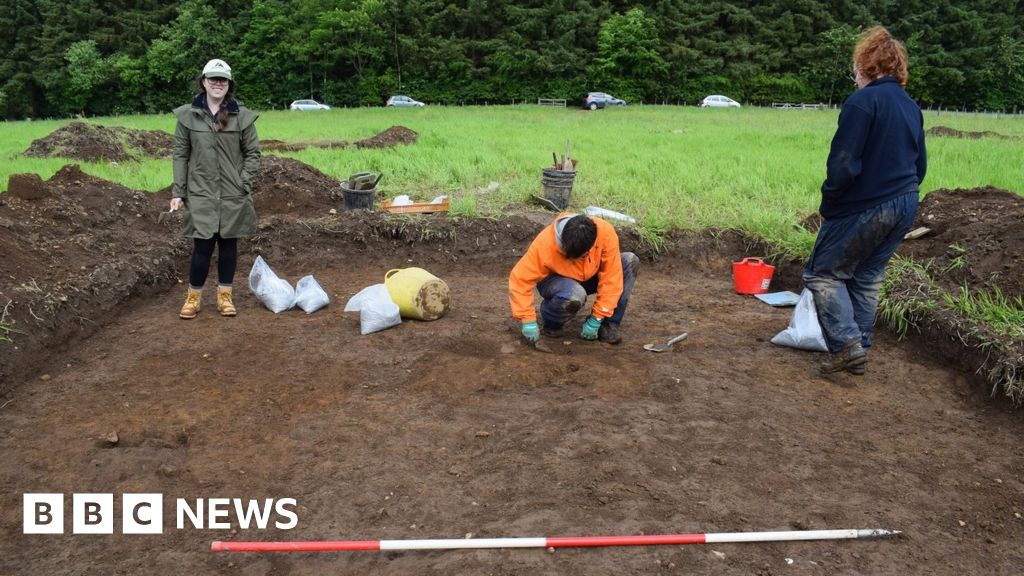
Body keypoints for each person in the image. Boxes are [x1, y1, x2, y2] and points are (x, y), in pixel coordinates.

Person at [804, 26, 926, 375]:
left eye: (856, 66)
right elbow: (921, 165)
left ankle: (845, 344)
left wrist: (831, 202)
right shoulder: (910, 106)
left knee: (823, 273)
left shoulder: (862, 102)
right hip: (905, 202)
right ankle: (860, 349)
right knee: (866, 278)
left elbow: (843, 164)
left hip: (865, 205)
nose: (854, 73)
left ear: (866, 66)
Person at [170, 58, 261, 319]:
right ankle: (193, 298)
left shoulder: (241, 116)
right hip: (200, 192)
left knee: (229, 246)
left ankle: (224, 297)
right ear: (204, 82)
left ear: (229, 83)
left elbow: (253, 153)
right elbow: (180, 154)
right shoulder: (188, 115)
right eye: (213, 79)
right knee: (202, 248)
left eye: (222, 79)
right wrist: (179, 191)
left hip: (233, 192)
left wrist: (243, 181)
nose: (217, 84)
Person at [509, 213, 639, 345]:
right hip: (555, 281)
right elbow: (520, 279)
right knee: (574, 294)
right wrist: (527, 320)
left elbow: (612, 278)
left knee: (629, 261)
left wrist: (597, 317)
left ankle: (608, 324)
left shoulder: (605, 233)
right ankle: (553, 322)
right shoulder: (545, 244)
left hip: (589, 275)